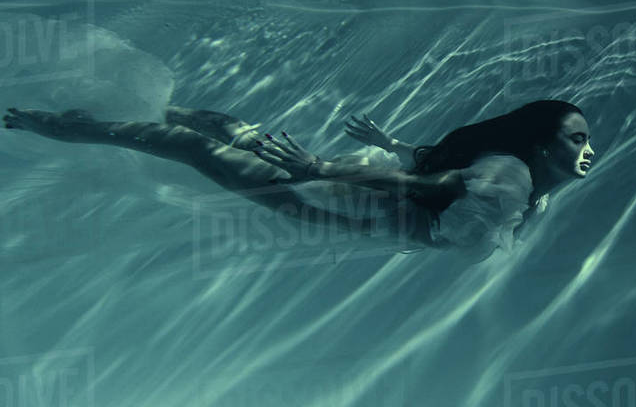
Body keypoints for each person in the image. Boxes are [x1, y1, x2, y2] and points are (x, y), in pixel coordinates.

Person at [3, 100, 595, 261]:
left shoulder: (524, 182)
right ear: (542, 146)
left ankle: (140, 112)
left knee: (227, 132)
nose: (589, 149)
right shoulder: (513, 181)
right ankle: (58, 126)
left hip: (352, 191)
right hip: (342, 199)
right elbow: (432, 189)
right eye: (577, 139)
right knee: (189, 151)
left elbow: (437, 171)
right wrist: (318, 170)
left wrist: (392, 146)